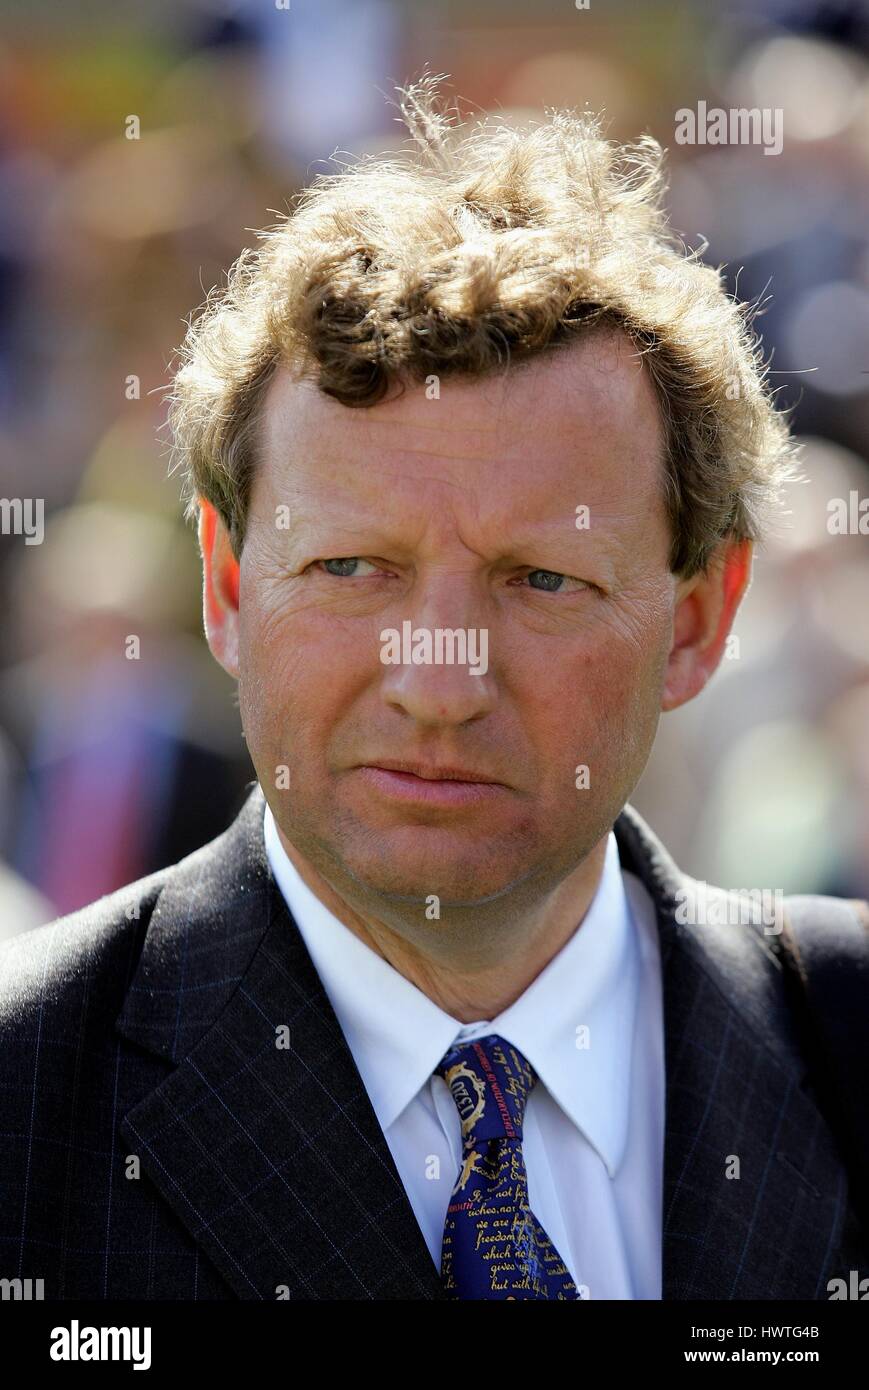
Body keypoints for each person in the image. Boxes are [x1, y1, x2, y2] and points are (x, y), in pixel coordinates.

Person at [1, 79, 866, 1301]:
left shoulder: (841, 1045)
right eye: (352, 568)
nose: (439, 682)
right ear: (228, 588)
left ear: (697, 618)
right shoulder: (25, 1102)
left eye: (543, 579)